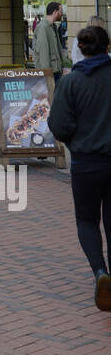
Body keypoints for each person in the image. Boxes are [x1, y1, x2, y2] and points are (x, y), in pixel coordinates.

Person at [48, 24, 111, 312]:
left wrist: (76, 140)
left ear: (81, 50)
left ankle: (100, 271)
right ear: (107, 47)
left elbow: (59, 125)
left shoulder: (71, 82)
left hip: (86, 161)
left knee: (87, 220)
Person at [32, 1, 64, 82]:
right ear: (55, 12)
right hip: (50, 73)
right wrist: (46, 74)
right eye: (61, 11)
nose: (62, 13)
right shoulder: (43, 27)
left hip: (55, 70)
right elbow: (43, 52)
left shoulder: (53, 26)